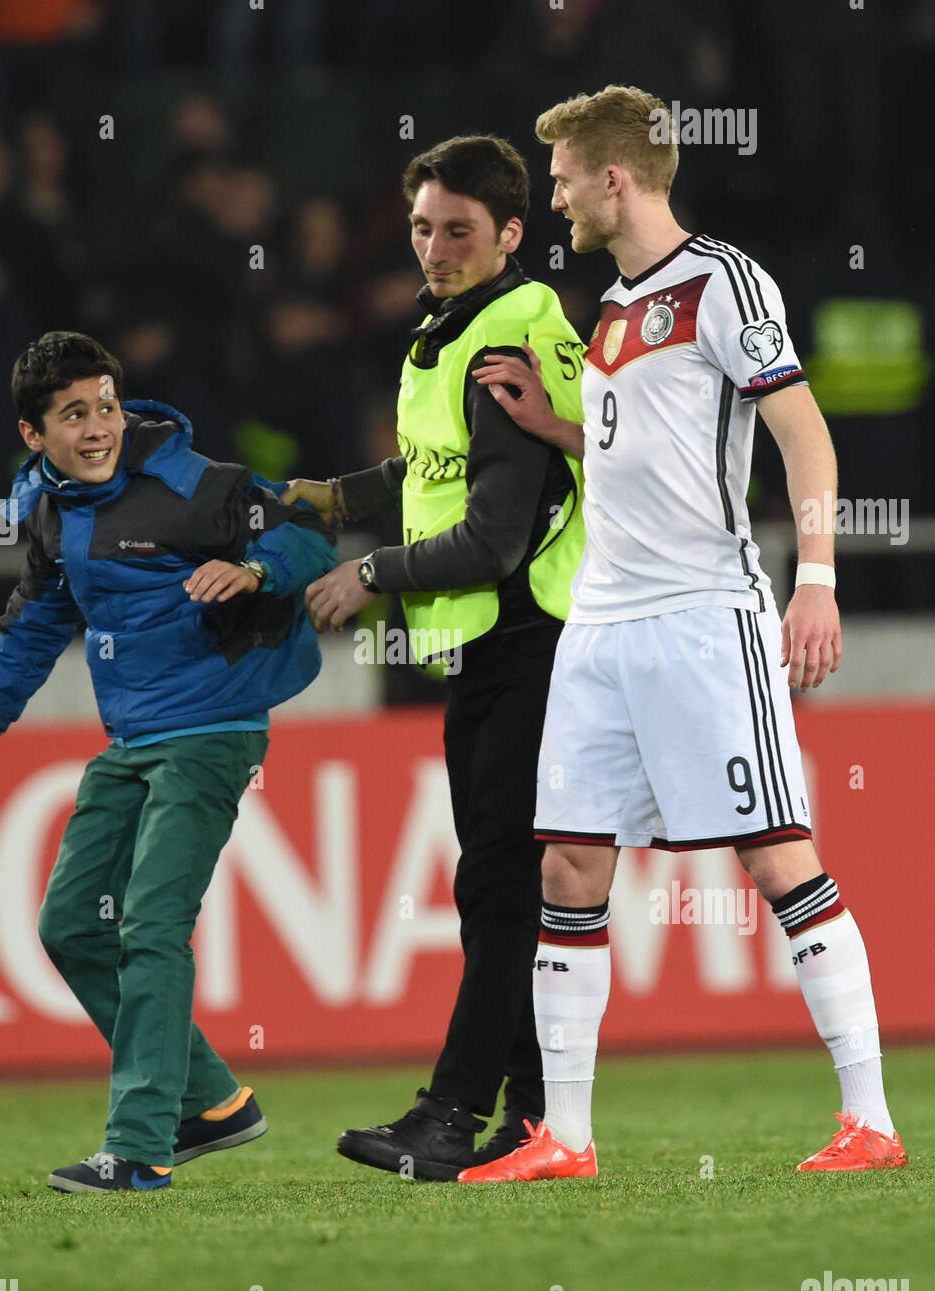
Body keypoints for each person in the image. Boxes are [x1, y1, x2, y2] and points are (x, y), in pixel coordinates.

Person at [457, 86, 905, 1182]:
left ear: (615, 178)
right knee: (569, 862)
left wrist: (816, 581)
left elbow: (805, 436)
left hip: (703, 616)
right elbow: (640, 449)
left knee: (775, 852)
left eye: (564, 180)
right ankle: (566, 1136)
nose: (556, 199)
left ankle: (871, 1118)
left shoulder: (724, 281)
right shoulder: (614, 307)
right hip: (601, 624)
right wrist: (555, 427)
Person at [0, 331, 336, 1193]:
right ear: (32, 434)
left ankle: (140, 1145)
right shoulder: (48, 511)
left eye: (106, 406)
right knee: (70, 925)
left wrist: (254, 568)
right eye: (73, 414)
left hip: (212, 731)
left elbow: (308, 532)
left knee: (152, 927)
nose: (97, 428)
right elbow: (38, 617)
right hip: (132, 741)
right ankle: (213, 1101)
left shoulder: (191, 483)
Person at [288, 136, 587, 1180]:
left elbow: (496, 535)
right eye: (422, 228)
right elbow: (434, 466)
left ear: (510, 234)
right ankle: (537, 1117)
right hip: (486, 643)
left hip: (529, 636)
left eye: (459, 230)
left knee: (499, 887)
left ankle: (452, 1113)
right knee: (502, 885)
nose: (435, 248)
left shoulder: (507, 336)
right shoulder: (457, 329)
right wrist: (340, 498)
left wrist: (370, 571)